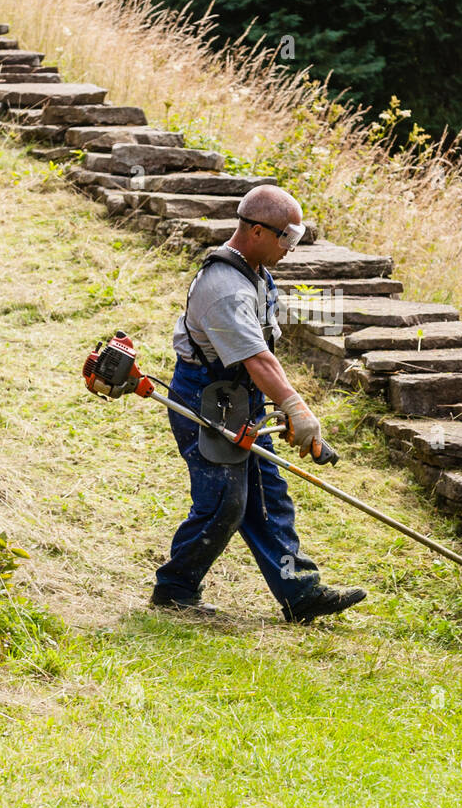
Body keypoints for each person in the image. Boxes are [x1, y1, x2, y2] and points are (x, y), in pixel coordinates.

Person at [152, 184, 366, 623]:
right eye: (286, 237)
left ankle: (300, 594)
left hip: (239, 395)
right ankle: (175, 589)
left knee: (267, 494)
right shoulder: (225, 288)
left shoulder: (255, 272)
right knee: (224, 501)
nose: (291, 247)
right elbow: (256, 358)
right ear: (255, 230)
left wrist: (283, 408)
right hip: (205, 396)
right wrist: (296, 408)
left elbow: (261, 356)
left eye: (296, 237)